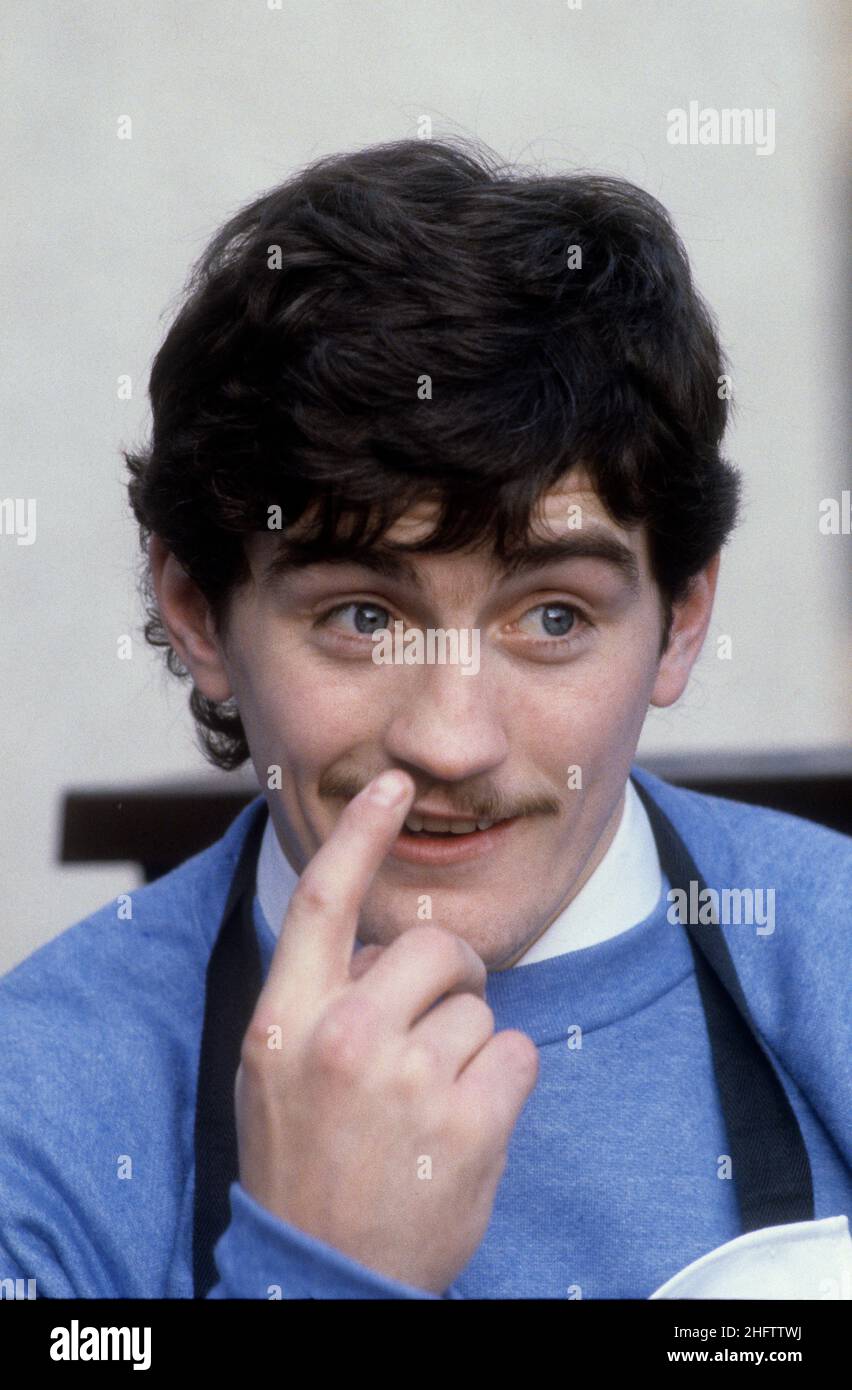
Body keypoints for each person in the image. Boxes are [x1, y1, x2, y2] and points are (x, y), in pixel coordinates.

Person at [1, 137, 849, 1301]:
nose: (453, 742)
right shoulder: (33, 1096)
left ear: (684, 617)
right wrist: (321, 1272)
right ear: (198, 610)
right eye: (361, 613)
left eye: (553, 617)